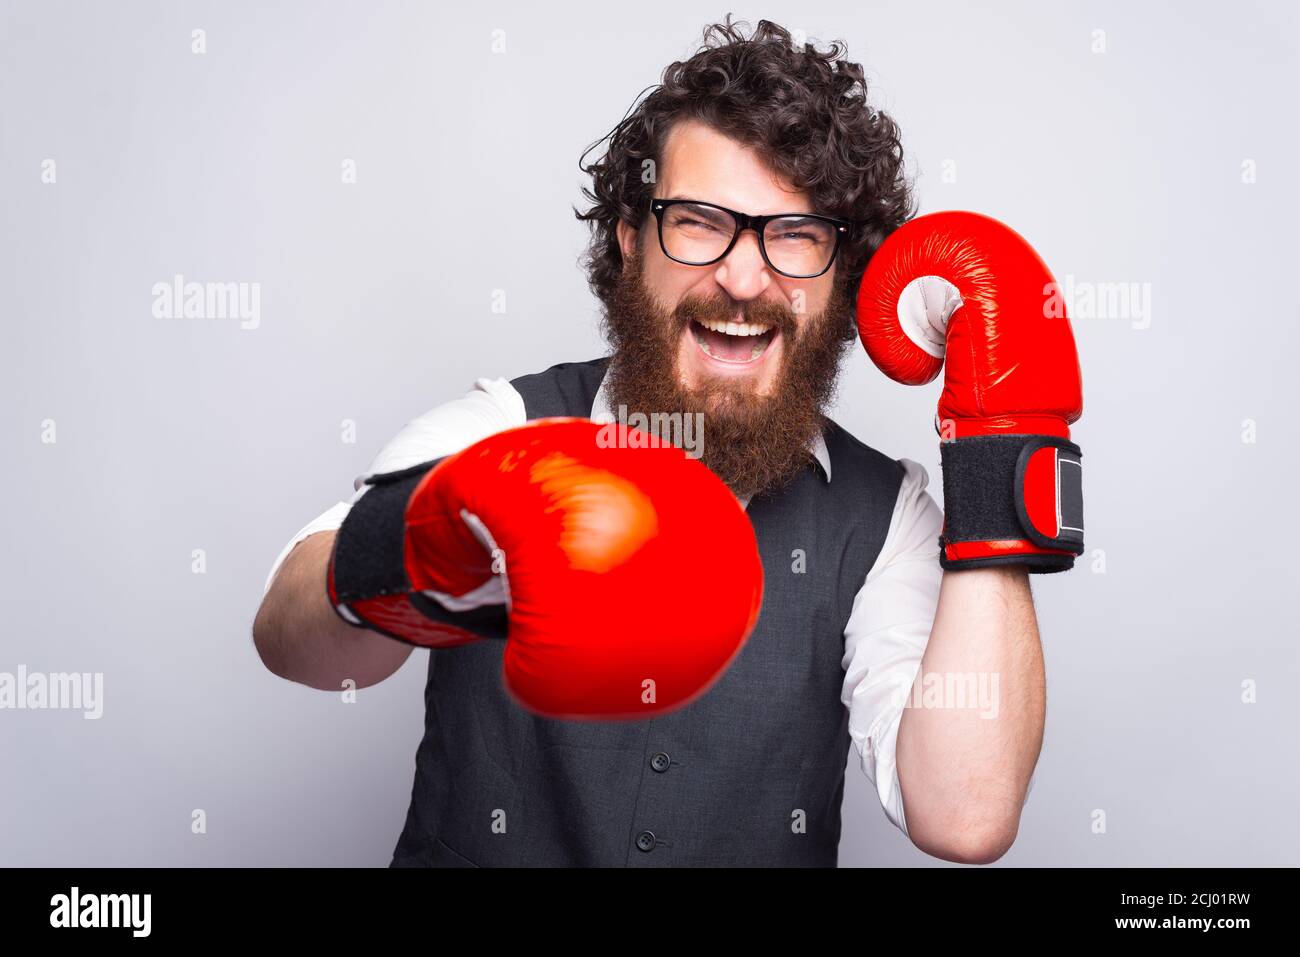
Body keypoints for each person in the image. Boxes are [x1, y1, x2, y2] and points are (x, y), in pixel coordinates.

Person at [253, 17, 1084, 867]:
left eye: (795, 234)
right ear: (630, 239)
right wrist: (432, 538)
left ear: (842, 280)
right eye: (697, 221)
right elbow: (292, 639)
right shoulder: (502, 425)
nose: (743, 275)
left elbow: (966, 813)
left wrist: (1000, 440)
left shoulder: (884, 519)